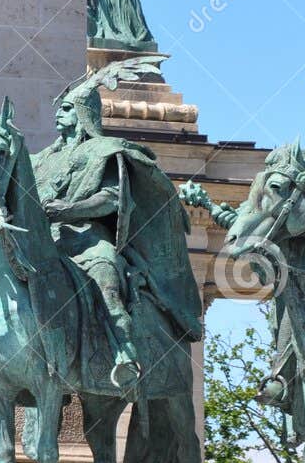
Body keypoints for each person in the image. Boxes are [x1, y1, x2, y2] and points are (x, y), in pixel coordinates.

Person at [32, 62, 203, 392]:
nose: (59, 114)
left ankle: (124, 350)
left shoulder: (102, 151)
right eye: (59, 109)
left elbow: (112, 199)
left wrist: (68, 210)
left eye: (67, 109)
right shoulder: (39, 159)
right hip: (43, 242)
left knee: (106, 273)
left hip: (85, 239)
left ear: (83, 113)